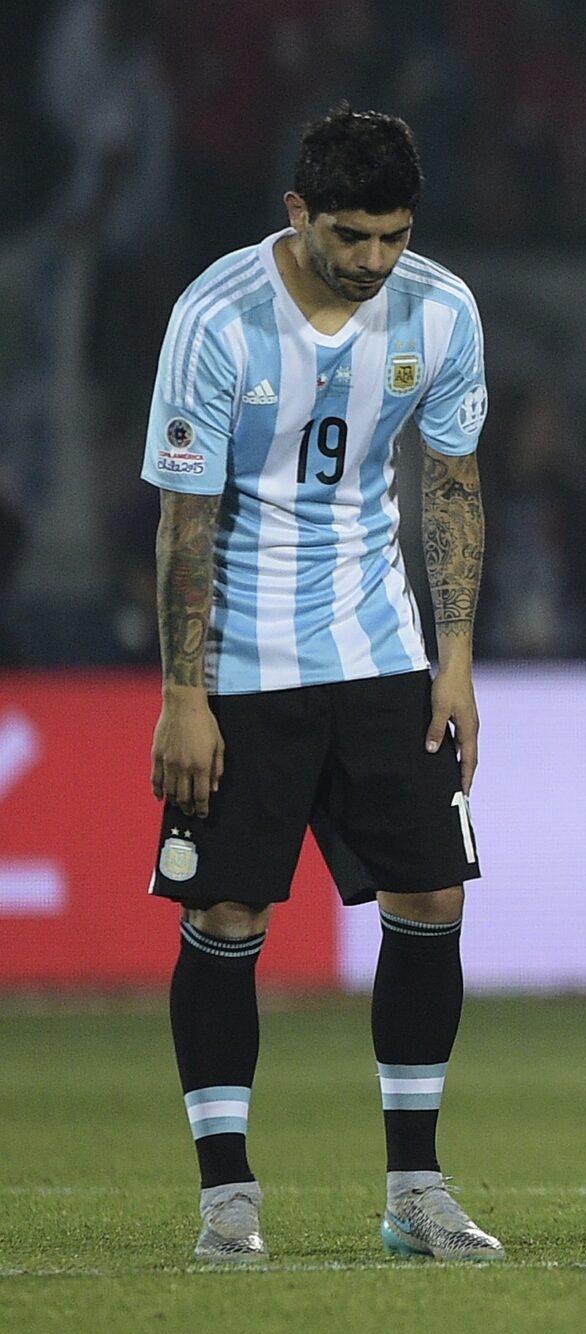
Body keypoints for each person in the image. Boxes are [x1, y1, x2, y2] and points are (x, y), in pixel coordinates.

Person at [142, 105, 501, 1263]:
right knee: (227, 914)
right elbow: (184, 520)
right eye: (351, 235)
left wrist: (454, 661)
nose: (374, 260)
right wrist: (183, 694)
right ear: (297, 213)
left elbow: (449, 485)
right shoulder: (216, 318)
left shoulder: (441, 309)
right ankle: (227, 1199)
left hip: (383, 655)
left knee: (433, 900)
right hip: (242, 668)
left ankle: (414, 1189)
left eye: (394, 236)